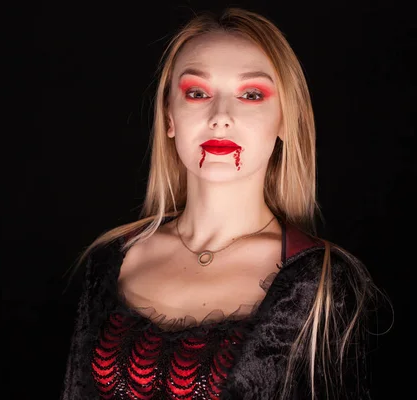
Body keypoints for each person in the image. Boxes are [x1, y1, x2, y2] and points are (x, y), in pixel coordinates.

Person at [60, 7, 386, 400]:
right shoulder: (109, 260)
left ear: (285, 119)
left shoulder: (322, 285)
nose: (220, 117)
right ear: (169, 117)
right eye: (197, 93)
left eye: (251, 95)